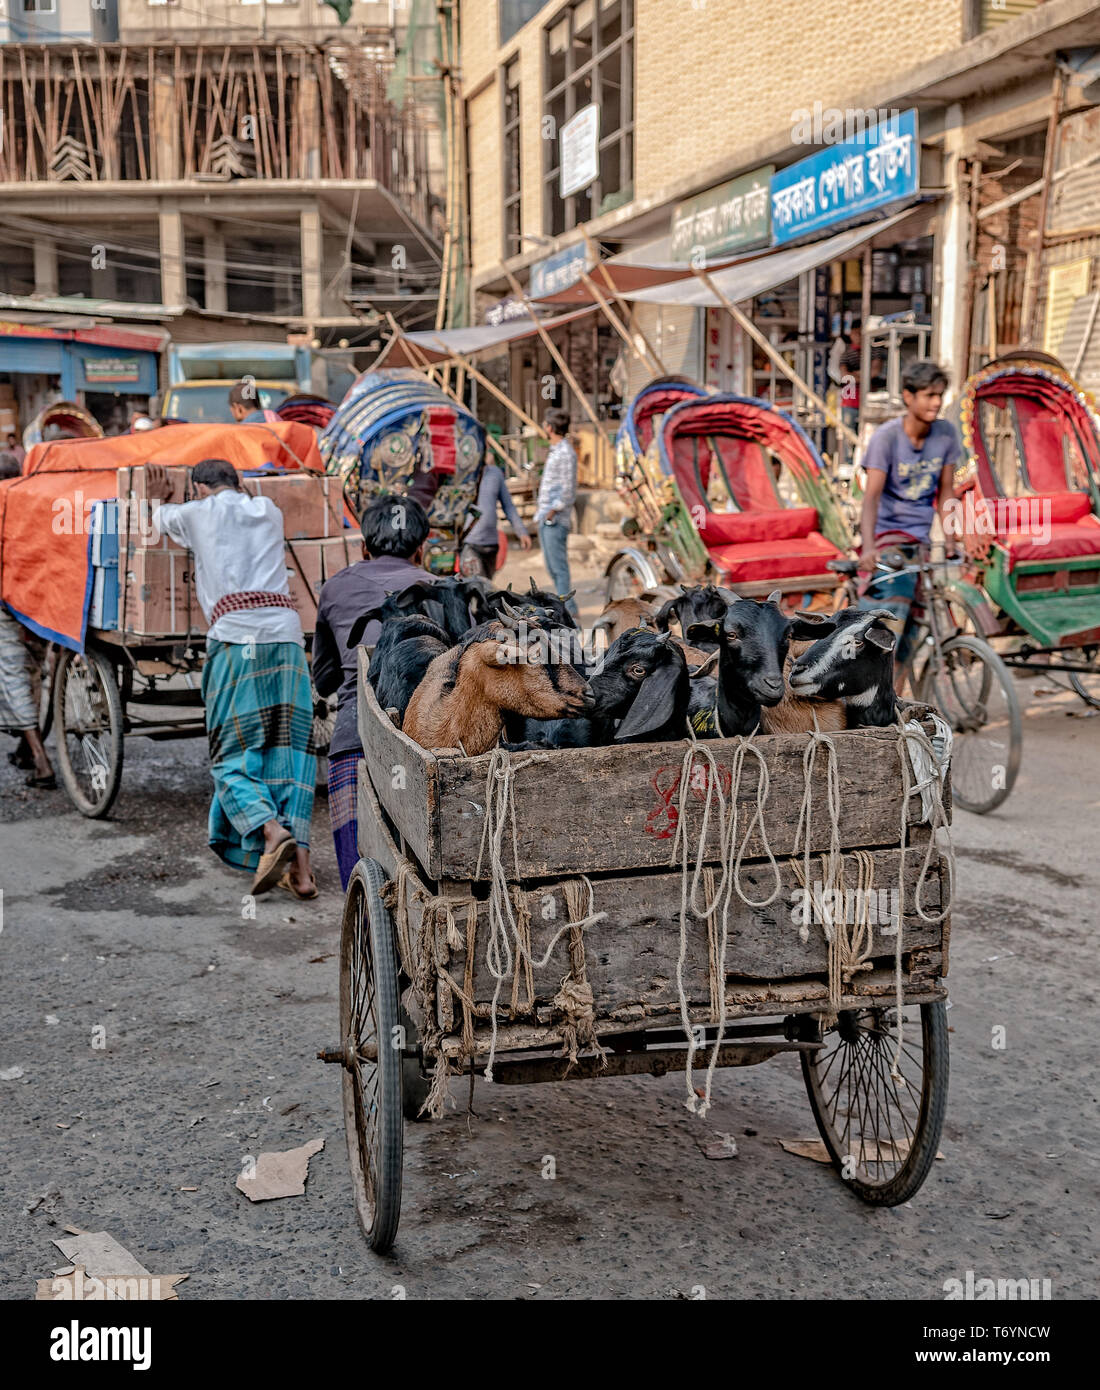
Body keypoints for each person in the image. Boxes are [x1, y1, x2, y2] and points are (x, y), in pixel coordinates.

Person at [145, 458, 318, 899]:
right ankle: (303, 873)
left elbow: (155, 518)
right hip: (285, 637)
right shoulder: (268, 511)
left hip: (236, 641)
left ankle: (270, 830)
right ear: (237, 483)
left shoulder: (196, 512)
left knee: (232, 754)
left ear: (201, 488)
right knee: (293, 753)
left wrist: (161, 495)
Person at [312, 494, 429, 890]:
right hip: (427, 751)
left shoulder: (335, 588)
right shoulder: (445, 591)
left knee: (360, 888)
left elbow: (325, 679)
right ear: (422, 549)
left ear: (363, 547)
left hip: (354, 741)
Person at [858, 359, 961, 684]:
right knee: (892, 623)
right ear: (908, 396)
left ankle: (896, 702)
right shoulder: (886, 438)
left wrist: (953, 537)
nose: (935, 402)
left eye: (939, 395)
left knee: (916, 627)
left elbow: (945, 493)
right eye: (929, 395)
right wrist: (869, 547)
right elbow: (871, 497)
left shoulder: (945, 434)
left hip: (920, 542)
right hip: (888, 536)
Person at [0, 452, 56, 789]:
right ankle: (24, 748)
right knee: (35, 671)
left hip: (8, 604)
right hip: (42, 604)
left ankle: (41, 760)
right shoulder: (38, 504)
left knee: (14, 676)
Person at [534, 408, 579, 620]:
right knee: (552, 568)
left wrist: (553, 511)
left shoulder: (566, 453)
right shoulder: (556, 451)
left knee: (559, 570)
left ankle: (568, 613)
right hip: (546, 516)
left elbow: (568, 490)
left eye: (545, 424)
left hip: (555, 519)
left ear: (550, 428)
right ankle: (570, 608)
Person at [460, 461, 532, 578]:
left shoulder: (495, 473)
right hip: (469, 542)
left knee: (487, 587)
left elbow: (508, 505)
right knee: (477, 585)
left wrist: (521, 531)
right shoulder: (461, 473)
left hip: (491, 543)